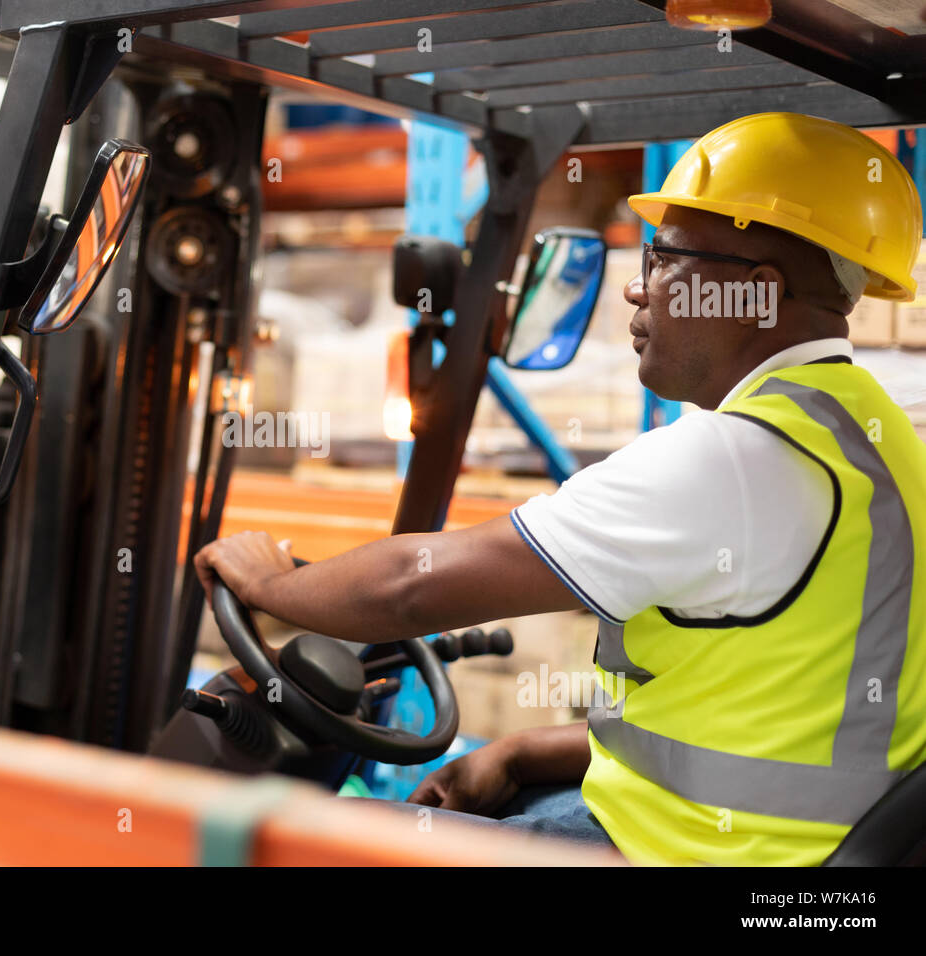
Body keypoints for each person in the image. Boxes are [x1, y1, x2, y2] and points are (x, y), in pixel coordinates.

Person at [193, 112, 926, 866]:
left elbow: (413, 585)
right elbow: (775, 723)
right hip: (762, 850)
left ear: (756, 295)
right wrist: (524, 750)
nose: (639, 291)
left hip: (689, 853)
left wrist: (278, 585)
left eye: (665, 259)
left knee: (308, 851)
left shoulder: (735, 460)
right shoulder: (881, 439)